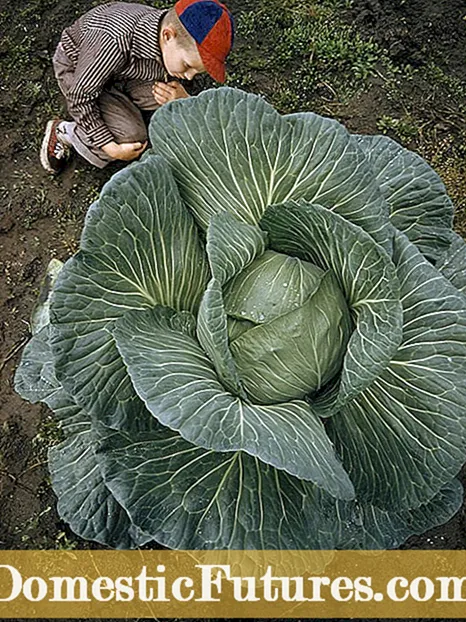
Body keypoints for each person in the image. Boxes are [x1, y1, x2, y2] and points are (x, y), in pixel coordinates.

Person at [40, 0, 234, 174]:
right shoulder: (113, 41)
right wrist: (109, 146)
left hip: (122, 71)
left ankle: (122, 104)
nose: (189, 76)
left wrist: (183, 99)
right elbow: (79, 95)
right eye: (187, 65)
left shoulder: (166, 28)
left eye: (197, 71)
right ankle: (65, 132)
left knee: (169, 97)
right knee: (131, 138)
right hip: (79, 71)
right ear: (168, 35)